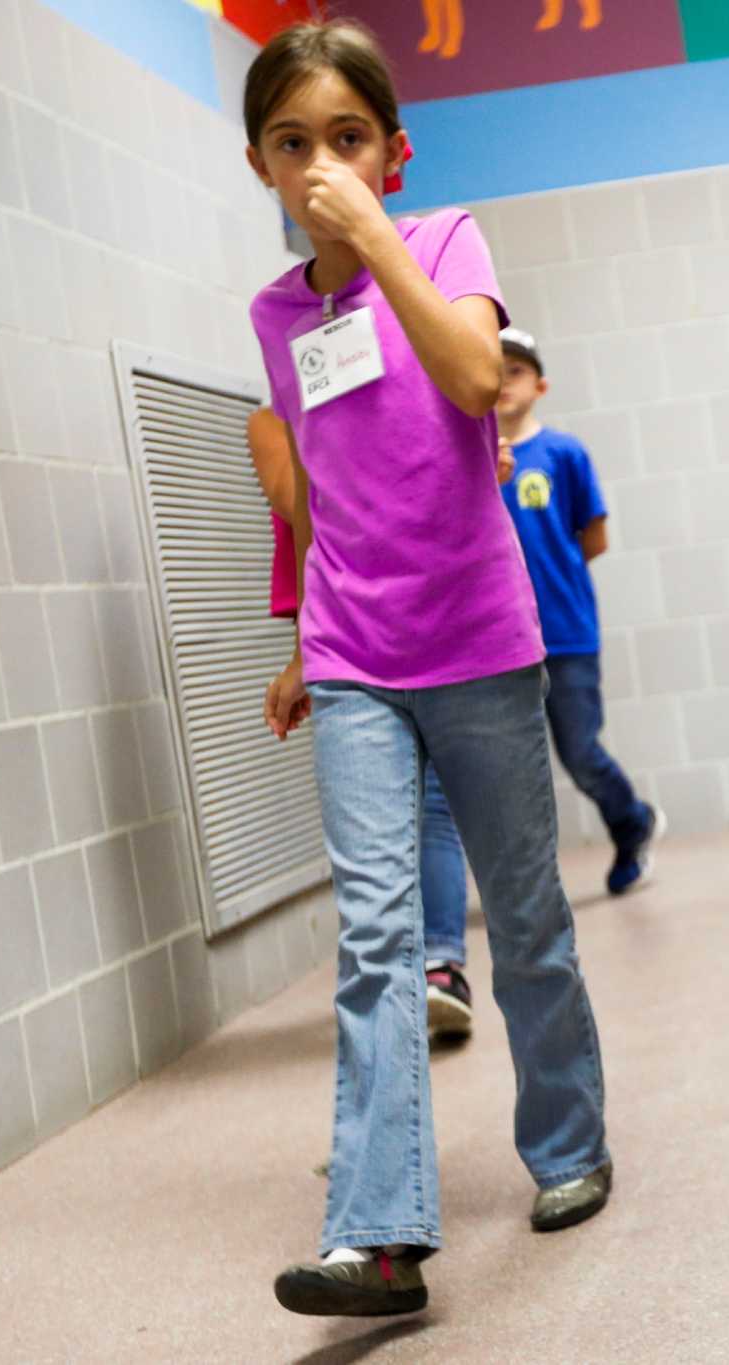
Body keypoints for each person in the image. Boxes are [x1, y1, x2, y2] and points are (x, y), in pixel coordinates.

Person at [243, 20, 612, 1318]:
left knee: (524, 923)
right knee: (382, 941)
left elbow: (470, 380)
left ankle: (569, 1145)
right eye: (294, 144)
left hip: (479, 645)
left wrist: (379, 241)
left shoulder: (446, 241)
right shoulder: (275, 315)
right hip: (354, 657)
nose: (320, 164)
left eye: (347, 138)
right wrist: (298, 642)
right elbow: (317, 492)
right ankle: (382, 1236)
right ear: (260, 166)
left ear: (392, 156)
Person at [248, 407, 481, 1043]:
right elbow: (292, 497)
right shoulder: (273, 420)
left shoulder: (408, 389)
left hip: (428, 613)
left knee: (435, 804)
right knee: (370, 828)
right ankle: (389, 988)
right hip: (342, 639)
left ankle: (440, 966)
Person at [493, 327, 659, 894]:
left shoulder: (563, 453)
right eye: (492, 370)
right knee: (514, 768)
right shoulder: (477, 459)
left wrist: (551, 577)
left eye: (514, 371)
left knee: (580, 751)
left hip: (566, 633)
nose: (501, 381)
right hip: (499, 640)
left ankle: (631, 821)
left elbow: (595, 538)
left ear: (540, 384)